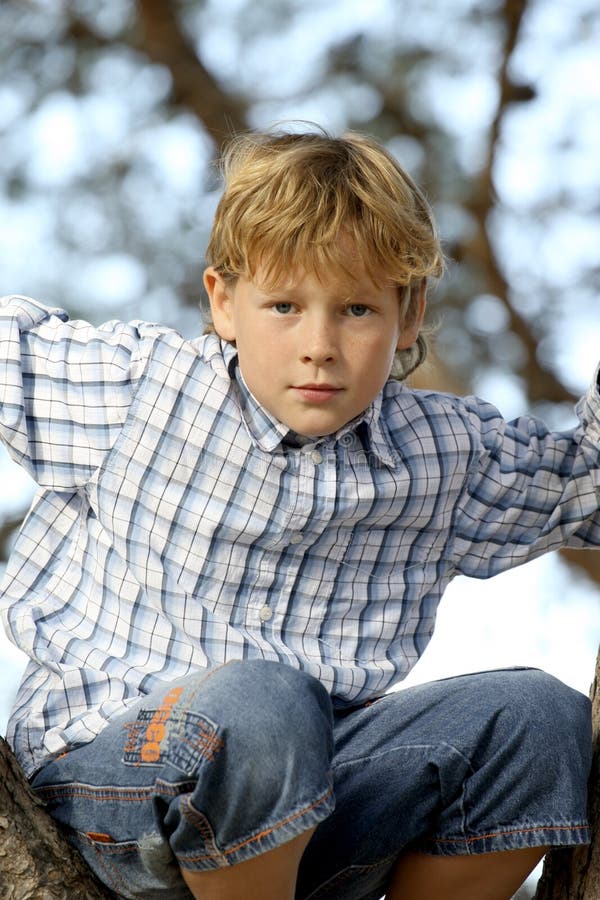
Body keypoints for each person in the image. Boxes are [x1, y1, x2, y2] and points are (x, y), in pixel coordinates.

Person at [0, 127, 597, 900]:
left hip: (314, 799)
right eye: (283, 305)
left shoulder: (447, 458)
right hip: (112, 785)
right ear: (223, 301)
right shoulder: (140, 389)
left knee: (538, 721)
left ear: (408, 316)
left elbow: (584, 481)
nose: (319, 345)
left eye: (355, 309)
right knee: (262, 699)